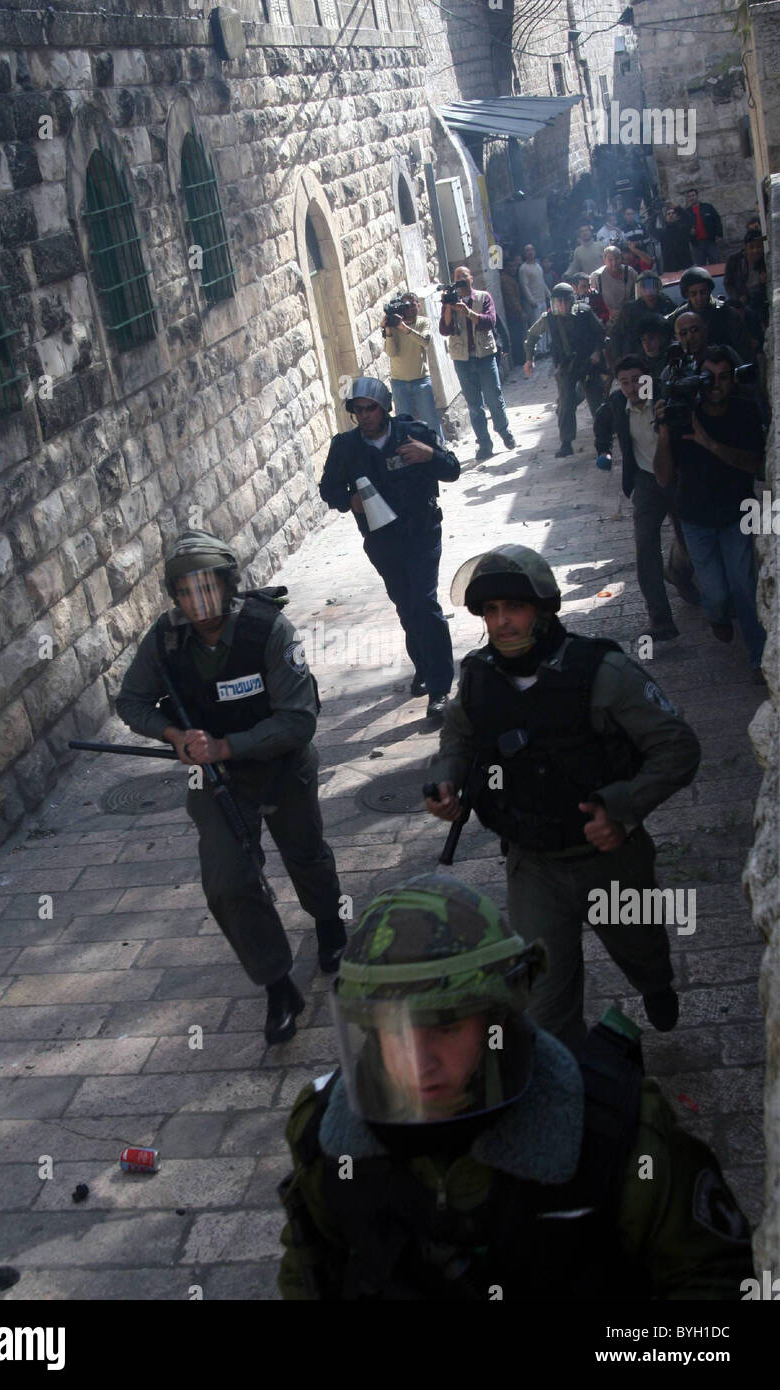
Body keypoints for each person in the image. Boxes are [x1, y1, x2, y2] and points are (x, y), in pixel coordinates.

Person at [277, 875, 752, 1300]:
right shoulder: (324, 1138)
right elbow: (308, 1273)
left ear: (493, 1021)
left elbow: (713, 1283)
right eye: (393, 1033)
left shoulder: (615, 1132)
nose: (420, 1064)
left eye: (445, 1028)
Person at [424, 545, 701, 1048]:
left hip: (610, 859)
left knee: (642, 950)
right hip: (534, 866)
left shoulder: (603, 672)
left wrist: (623, 807)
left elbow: (677, 748)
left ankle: (657, 984)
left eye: (515, 608)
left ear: (544, 608)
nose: (502, 622)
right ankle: (570, 1097)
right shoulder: (480, 677)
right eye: (490, 611)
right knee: (544, 1009)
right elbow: (458, 737)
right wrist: (445, 780)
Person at [115, 530, 345, 1045]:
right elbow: (130, 703)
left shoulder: (268, 629)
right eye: (185, 592)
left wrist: (227, 745)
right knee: (228, 882)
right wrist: (174, 735)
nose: (198, 603)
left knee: (305, 855)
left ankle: (330, 922)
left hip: (283, 767)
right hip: (216, 781)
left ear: (228, 584)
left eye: (208, 587)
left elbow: (299, 720)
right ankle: (277, 983)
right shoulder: (166, 638)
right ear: (174, 597)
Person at [319, 376, 460, 721]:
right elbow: (328, 489)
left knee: (425, 603)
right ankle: (424, 668)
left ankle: (440, 686)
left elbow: (452, 469)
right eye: (358, 410)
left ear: (384, 409)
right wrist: (347, 500)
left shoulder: (414, 433)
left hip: (422, 531)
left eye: (371, 409)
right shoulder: (346, 447)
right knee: (406, 606)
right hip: (382, 540)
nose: (364, 416)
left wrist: (429, 455)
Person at [654, 347, 767, 681]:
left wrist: (711, 445)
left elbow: (756, 465)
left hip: (738, 512)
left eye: (724, 377)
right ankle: (717, 615)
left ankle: (759, 657)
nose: (716, 385)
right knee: (716, 594)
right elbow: (663, 477)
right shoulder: (683, 413)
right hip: (696, 518)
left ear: (734, 379)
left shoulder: (746, 412)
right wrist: (663, 434)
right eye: (708, 378)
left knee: (744, 586)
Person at [594, 355, 695, 640]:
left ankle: (681, 574)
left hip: (679, 477)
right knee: (646, 548)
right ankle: (660, 619)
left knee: (691, 539)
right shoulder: (616, 404)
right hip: (645, 482)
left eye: (637, 380)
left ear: (649, 378)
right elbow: (601, 421)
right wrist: (603, 449)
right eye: (624, 382)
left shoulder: (666, 397)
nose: (631, 387)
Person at [438, 265, 517, 462]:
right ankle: (484, 444)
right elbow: (444, 329)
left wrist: (468, 312)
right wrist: (448, 306)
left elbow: (490, 322)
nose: (461, 280)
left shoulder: (483, 297)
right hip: (462, 359)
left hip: (484, 355)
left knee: (494, 397)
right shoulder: (451, 301)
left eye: (464, 276)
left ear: (471, 278)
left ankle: (504, 431)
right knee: (474, 405)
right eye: (457, 277)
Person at [524, 282, 607, 458]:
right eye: (557, 302)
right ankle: (566, 442)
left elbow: (601, 333)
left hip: (588, 363)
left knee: (596, 402)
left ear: (571, 301)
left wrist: (597, 352)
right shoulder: (549, 318)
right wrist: (529, 359)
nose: (561, 306)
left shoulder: (584, 313)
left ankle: (603, 440)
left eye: (564, 301)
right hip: (566, 366)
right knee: (565, 403)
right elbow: (531, 336)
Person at [381, 291, 444, 439]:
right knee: (403, 424)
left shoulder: (423, 322)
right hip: (399, 383)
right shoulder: (394, 325)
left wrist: (404, 328)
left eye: (412, 304)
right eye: (406, 305)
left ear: (418, 305)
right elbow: (391, 353)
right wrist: (389, 330)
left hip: (421, 380)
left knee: (431, 420)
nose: (409, 308)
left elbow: (425, 341)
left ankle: (441, 449)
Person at [668, 267, 753, 360]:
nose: (699, 297)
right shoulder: (679, 317)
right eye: (693, 293)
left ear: (709, 291)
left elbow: (744, 351)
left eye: (703, 292)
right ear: (687, 294)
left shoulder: (727, 313)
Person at [609, 271, 675, 359]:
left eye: (652, 286)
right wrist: (619, 359)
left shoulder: (667, 304)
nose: (648, 290)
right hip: (635, 356)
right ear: (639, 289)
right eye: (644, 287)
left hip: (663, 356)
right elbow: (616, 334)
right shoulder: (629, 309)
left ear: (658, 287)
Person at [724, 229, 769, 332]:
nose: (755, 250)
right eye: (751, 247)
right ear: (746, 248)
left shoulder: (766, 261)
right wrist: (738, 297)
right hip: (743, 304)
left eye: (758, 247)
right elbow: (728, 283)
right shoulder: (734, 261)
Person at [589, 245, 637, 325]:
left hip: (630, 315)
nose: (614, 263)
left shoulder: (630, 272)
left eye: (617, 259)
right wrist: (608, 311)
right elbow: (594, 300)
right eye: (610, 260)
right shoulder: (597, 276)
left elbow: (638, 293)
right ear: (604, 260)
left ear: (621, 258)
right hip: (608, 318)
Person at [684, 188, 723, 266]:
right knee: (700, 267)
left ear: (697, 196)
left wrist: (719, 235)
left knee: (715, 263)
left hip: (710, 241)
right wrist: (690, 233)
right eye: (689, 196)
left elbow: (717, 220)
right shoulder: (686, 212)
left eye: (693, 195)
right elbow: (684, 228)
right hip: (696, 244)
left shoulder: (707, 207)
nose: (691, 198)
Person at [499, 259, 527, 367]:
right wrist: (520, 311)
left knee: (518, 337)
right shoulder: (506, 280)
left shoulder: (510, 278)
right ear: (505, 267)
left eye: (514, 267)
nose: (513, 269)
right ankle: (519, 360)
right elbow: (511, 298)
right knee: (517, 338)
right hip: (513, 314)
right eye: (510, 267)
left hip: (513, 312)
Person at [517, 244, 550, 329]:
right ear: (524, 254)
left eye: (532, 249)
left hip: (542, 301)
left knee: (545, 325)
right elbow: (524, 286)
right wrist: (531, 300)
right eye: (527, 250)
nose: (530, 252)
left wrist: (549, 295)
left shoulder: (538, 266)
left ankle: (546, 343)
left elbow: (542, 282)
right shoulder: (523, 268)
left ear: (535, 252)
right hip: (534, 304)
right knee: (537, 327)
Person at [658, 205, 694, 273]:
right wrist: (656, 213)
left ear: (677, 216)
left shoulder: (683, 228)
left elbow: (689, 218)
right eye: (668, 214)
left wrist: (676, 207)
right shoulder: (662, 232)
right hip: (670, 267)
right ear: (665, 218)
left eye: (673, 213)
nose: (671, 215)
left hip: (685, 265)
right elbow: (650, 229)